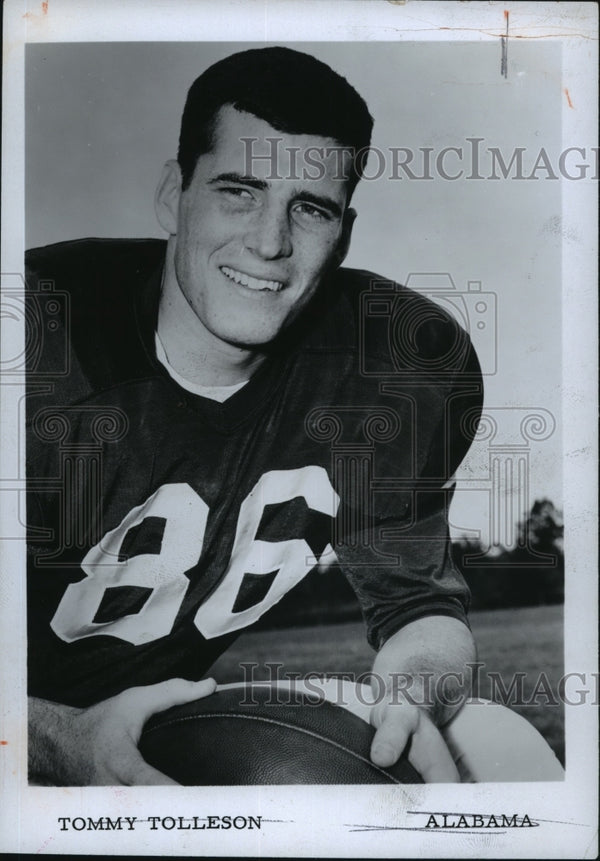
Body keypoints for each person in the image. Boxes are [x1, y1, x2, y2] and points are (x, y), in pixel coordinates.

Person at [25, 46, 562, 786]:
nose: (271, 242)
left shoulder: (392, 367)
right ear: (172, 194)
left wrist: (412, 689)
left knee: (497, 750)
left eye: (309, 208)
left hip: (155, 719)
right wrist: (59, 740)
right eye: (238, 192)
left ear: (344, 230)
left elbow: (419, 611)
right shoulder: (39, 337)